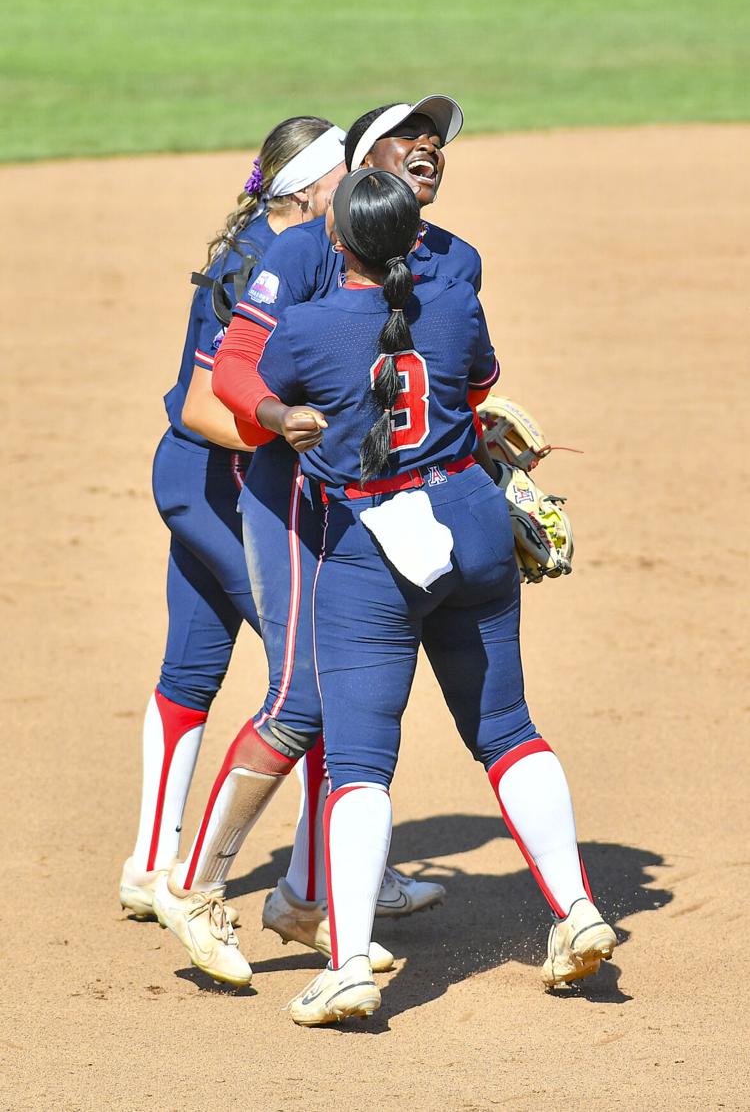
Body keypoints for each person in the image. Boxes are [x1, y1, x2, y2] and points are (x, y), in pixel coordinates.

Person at [255, 168, 618, 1025]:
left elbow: (271, 399)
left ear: (335, 241)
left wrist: (282, 414)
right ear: (413, 238)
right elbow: (477, 383)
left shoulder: (304, 327)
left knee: (358, 763)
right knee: (506, 728)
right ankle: (577, 909)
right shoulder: (455, 301)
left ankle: (348, 965)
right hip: (471, 522)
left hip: (369, 551)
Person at [152, 97, 480, 986]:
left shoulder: (420, 257)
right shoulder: (295, 254)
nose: (426, 156)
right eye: (406, 144)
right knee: (299, 694)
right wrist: (277, 415)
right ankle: (195, 886)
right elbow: (224, 378)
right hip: (289, 500)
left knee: (348, 697)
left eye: (435, 146)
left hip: (365, 509)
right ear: (359, 165)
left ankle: (305, 896)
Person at [118, 116, 348, 930]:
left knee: (191, 668)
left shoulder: (290, 245)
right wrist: (291, 425)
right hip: (213, 482)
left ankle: (150, 866)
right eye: (343, 173)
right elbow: (199, 406)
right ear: (310, 186)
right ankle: (317, 889)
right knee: (313, 680)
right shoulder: (260, 260)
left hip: (206, 484)